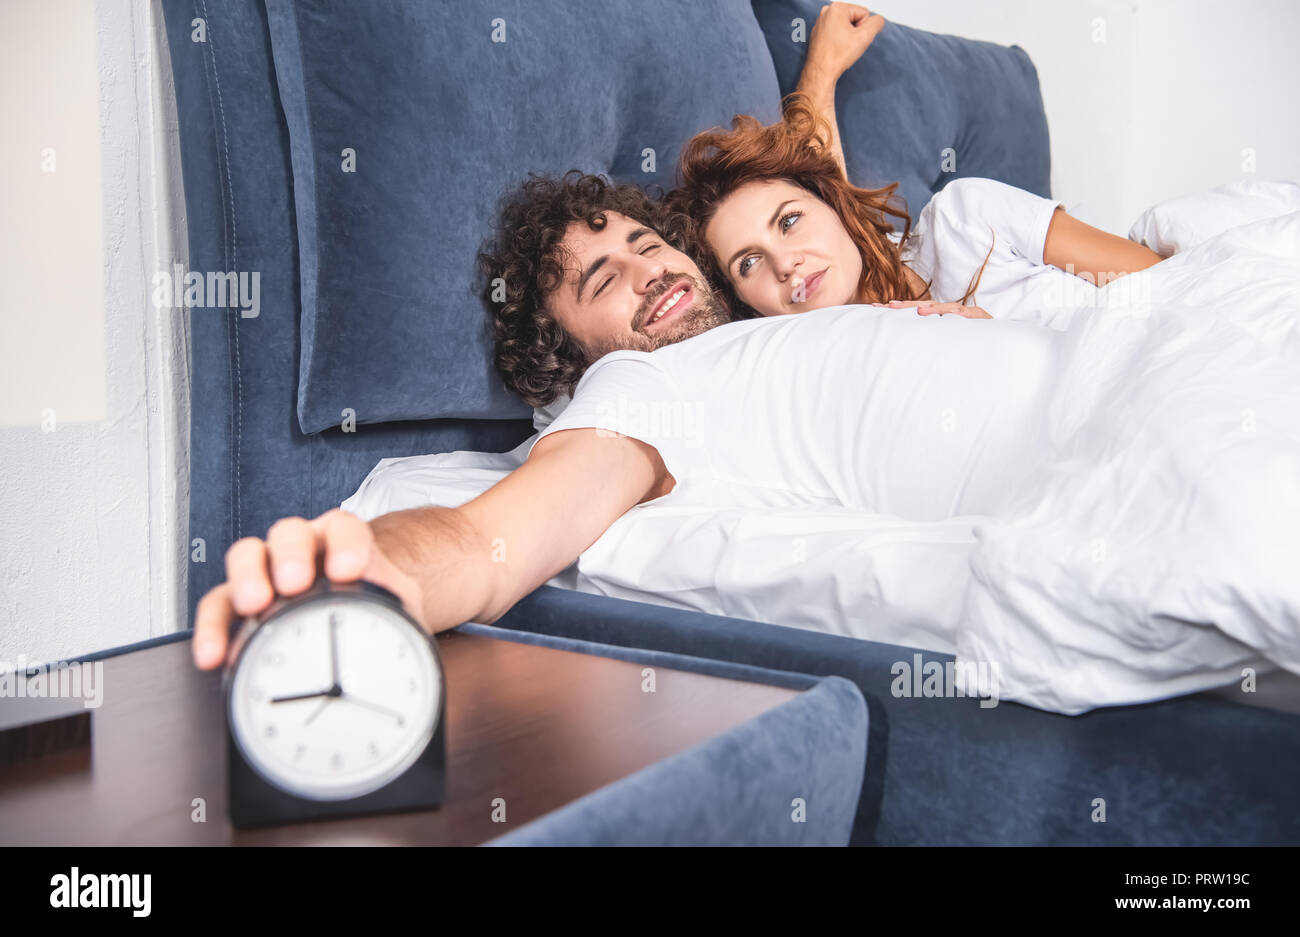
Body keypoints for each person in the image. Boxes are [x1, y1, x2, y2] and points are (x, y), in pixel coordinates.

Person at [193, 169, 1070, 670]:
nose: (646, 271)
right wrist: (364, 573)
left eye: (647, 245)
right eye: (603, 281)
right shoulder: (640, 387)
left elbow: (820, 198)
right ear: (569, 360)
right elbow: (490, 539)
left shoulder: (782, 322)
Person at [668, 5, 1166, 329]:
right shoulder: (805, 368)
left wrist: (821, 68)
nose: (785, 264)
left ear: (835, 204)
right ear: (740, 299)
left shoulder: (965, 221)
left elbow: (1169, 287)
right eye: (748, 264)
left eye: (790, 222)